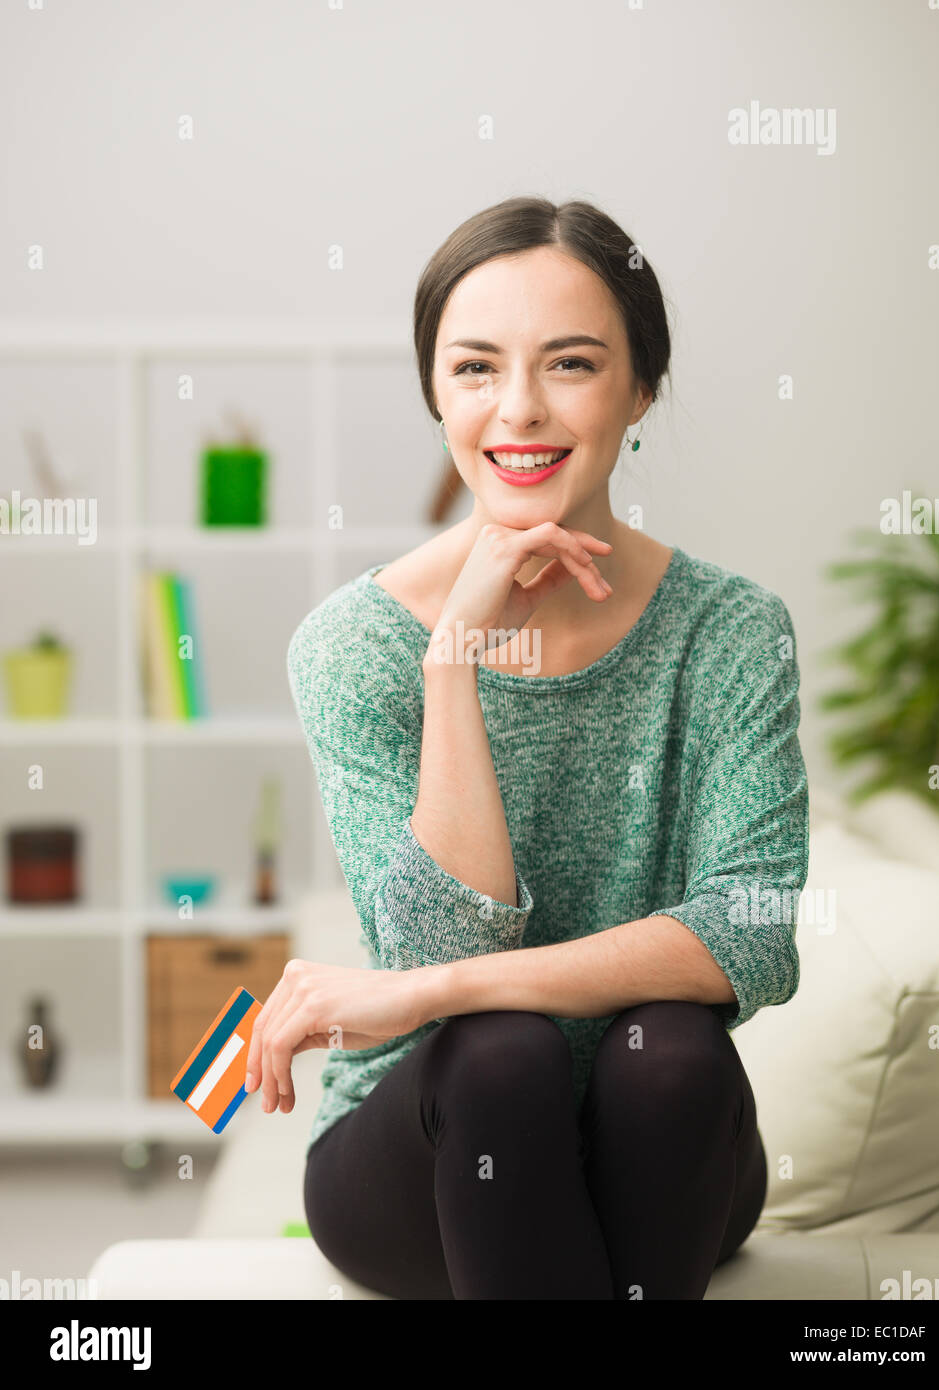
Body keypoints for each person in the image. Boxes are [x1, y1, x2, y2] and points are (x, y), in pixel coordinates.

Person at [244, 195, 809, 1300]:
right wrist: (453, 656)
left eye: (571, 364)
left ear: (642, 386)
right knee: (503, 1051)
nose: (519, 410)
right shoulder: (355, 649)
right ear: (435, 393)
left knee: (674, 1048)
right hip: (433, 1141)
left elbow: (751, 937)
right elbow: (432, 957)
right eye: (474, 368)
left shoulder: (733, 632)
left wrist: (429, 988)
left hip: (663, 1136)